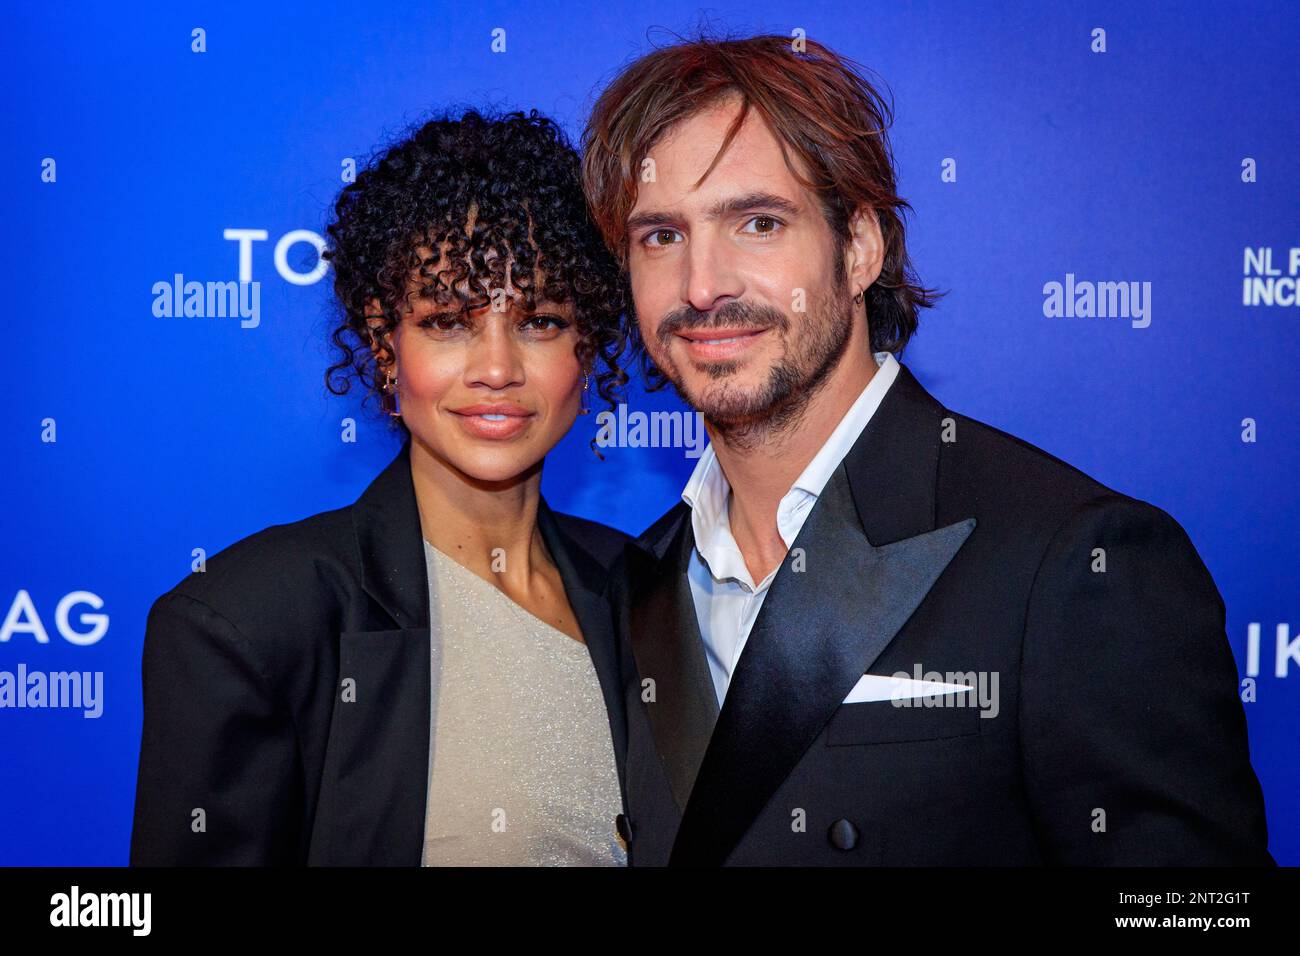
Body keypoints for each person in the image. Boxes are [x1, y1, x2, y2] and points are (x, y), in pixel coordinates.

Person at [580, 34, 1275, 866]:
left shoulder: (1074, 561)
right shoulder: (635, 586)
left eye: (758, 223)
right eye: (661, 237)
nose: (702, 285)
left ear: (861, 247)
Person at [130, 108, 633, 866]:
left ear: (587, 342)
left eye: (539, 321)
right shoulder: (251, 619)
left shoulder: (650, 593)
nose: (496, 369)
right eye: (448, 321)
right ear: (382, 344)